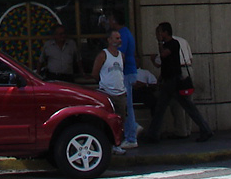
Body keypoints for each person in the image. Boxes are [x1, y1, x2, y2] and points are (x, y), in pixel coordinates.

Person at [144, 23, 213, 144]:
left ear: (165, 32)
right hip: (168, 80)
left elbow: (164, 55)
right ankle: (153, 134)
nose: (157, 35)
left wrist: (160, 43)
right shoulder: (171, 44)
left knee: (186, 106)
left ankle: (205, 129)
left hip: (174, 81)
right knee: (162, 108)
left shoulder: (173, 44)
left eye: (159, 32)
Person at [104, 11, 140, 149]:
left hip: (126, 73)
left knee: (126, 106)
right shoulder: (125, 33)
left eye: (111, 19)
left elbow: (120, 55)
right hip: (128, 73)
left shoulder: (123, 34)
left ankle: (131, 137)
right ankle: (133, 128)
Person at [91, 30, 127, 156]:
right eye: (116, 38)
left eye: (119, 38)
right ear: (109, 40)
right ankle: (108, 145)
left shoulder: (121, 55)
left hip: (121, 93)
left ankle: (118, 144)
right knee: (107, 121)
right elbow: (95, 73)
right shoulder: (103, 55)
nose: (119, 40)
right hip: (107, 93)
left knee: (120, 120)